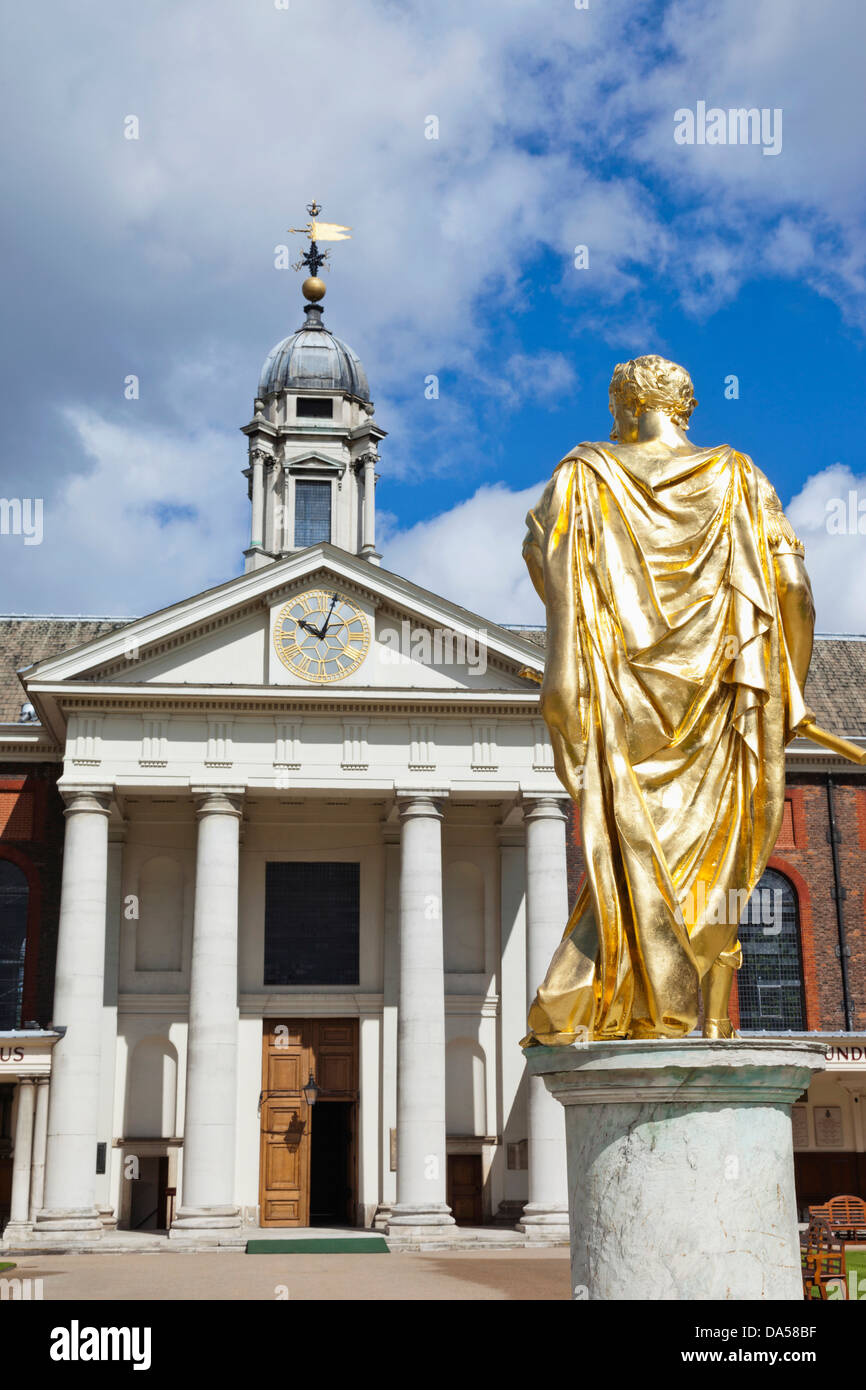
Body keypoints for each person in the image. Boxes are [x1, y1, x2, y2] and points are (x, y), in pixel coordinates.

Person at [522, 354, 814, 1043]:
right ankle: (683, 1016)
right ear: (687, 408)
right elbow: (794, 590)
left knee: (629, 853)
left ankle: (617, 1003)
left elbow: (547, 567)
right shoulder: (742, 478)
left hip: (620, 700)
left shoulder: (580, 475)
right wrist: (787, 696)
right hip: (724, 707)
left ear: (623, 408)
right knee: (715, 868)